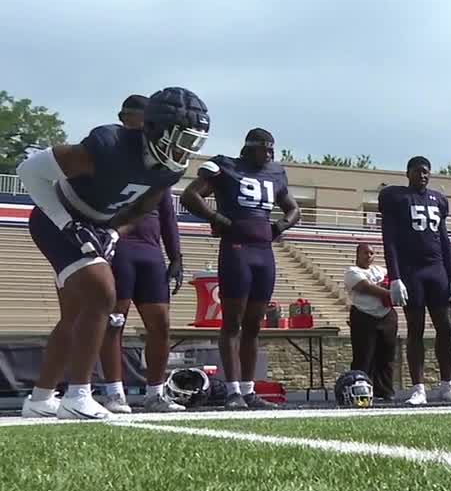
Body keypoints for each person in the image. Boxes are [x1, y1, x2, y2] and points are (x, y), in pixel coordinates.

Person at [19, 86, 210, 420]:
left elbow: (142, 208)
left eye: (192, 142)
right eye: (181, 138)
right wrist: (67, 224)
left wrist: (111, 231)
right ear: (155, 128)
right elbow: (29, 171)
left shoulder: (169, 170)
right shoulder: (108, 145)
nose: (185, 149)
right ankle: (78, 394)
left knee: (75, 316)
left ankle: (40, 397)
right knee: (102, 294)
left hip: (93, 224)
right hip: (55, 219)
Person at [181, 128, 301, 409]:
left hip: (263, 251)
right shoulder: (227, 166)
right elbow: (190, 195)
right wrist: (215, 217)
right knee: (232, 323)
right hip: (237, 250)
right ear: (249, 148)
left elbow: (294, 209)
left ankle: (249, 391)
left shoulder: (275, 173)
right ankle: (233, 390)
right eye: (264, 148)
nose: (270, 154)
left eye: (272, 149)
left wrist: (280, 226)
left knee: (253, 325)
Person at [97, 95, 188, 413]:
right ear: (125, 117)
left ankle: (155, 392)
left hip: (150, 252)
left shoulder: (159, 159)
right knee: (114, 322)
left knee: (161, 325)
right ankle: (114, 392)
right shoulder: (109, 150)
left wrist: (175, 256)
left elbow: (167, 213)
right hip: (119, 247)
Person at [376, 156, 451, 405]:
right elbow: (390, 241)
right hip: (411, 271)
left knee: (446, 329)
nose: (423, 175)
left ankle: (447, 385)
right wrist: (395, 277)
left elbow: (445, 240)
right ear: (408, 173)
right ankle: (418, 388)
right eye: (418, 171)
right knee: (415, 329)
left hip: (437, 270)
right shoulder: (398, 199)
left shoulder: (438, 200)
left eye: (426, 172)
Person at [344, 242, 398, 400]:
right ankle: (360, 389)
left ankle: (385, 391)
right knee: (364, 356)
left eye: (371, 253)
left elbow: (394, 279)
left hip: (386, 315)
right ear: (358, 254)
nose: (369, 256)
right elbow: (366, 287)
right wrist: (391, 293)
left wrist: (391, 287)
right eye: (365, 253)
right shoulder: (352, 272)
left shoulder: (380, 270)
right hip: (364, 314)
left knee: (387, 356)